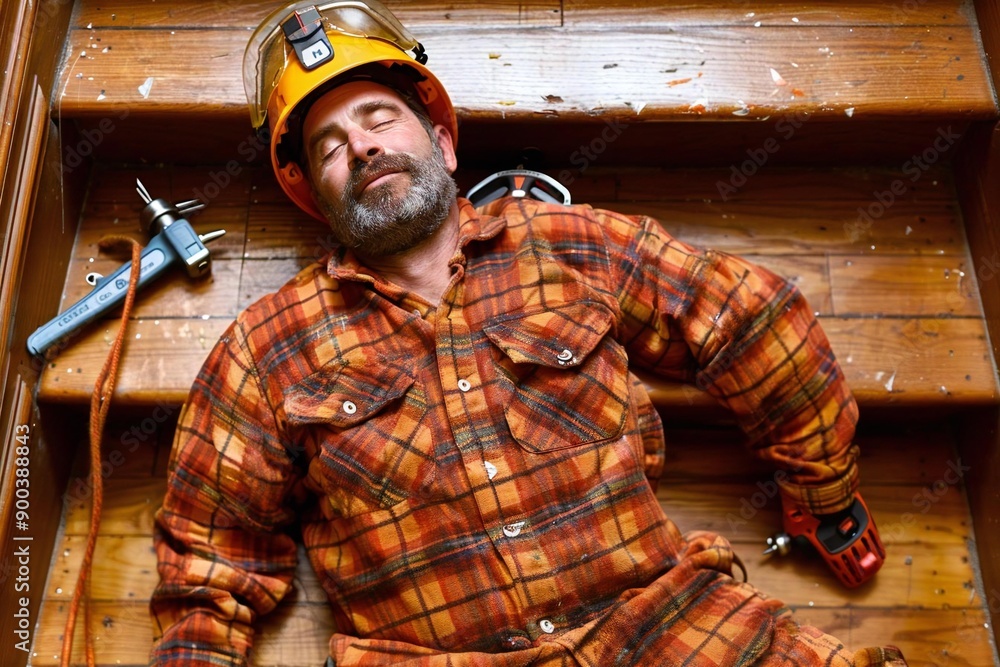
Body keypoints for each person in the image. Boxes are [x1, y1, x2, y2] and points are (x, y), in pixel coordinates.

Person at [150, 2, 907, 665]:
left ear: (442, 142)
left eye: (379, 118)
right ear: (315, 197)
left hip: (672, 634)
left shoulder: (569, 245)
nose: (363, 145)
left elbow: (753, 317)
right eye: (329, 145)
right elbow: (206, 567)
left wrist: (823, 491)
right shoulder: (268, 347)